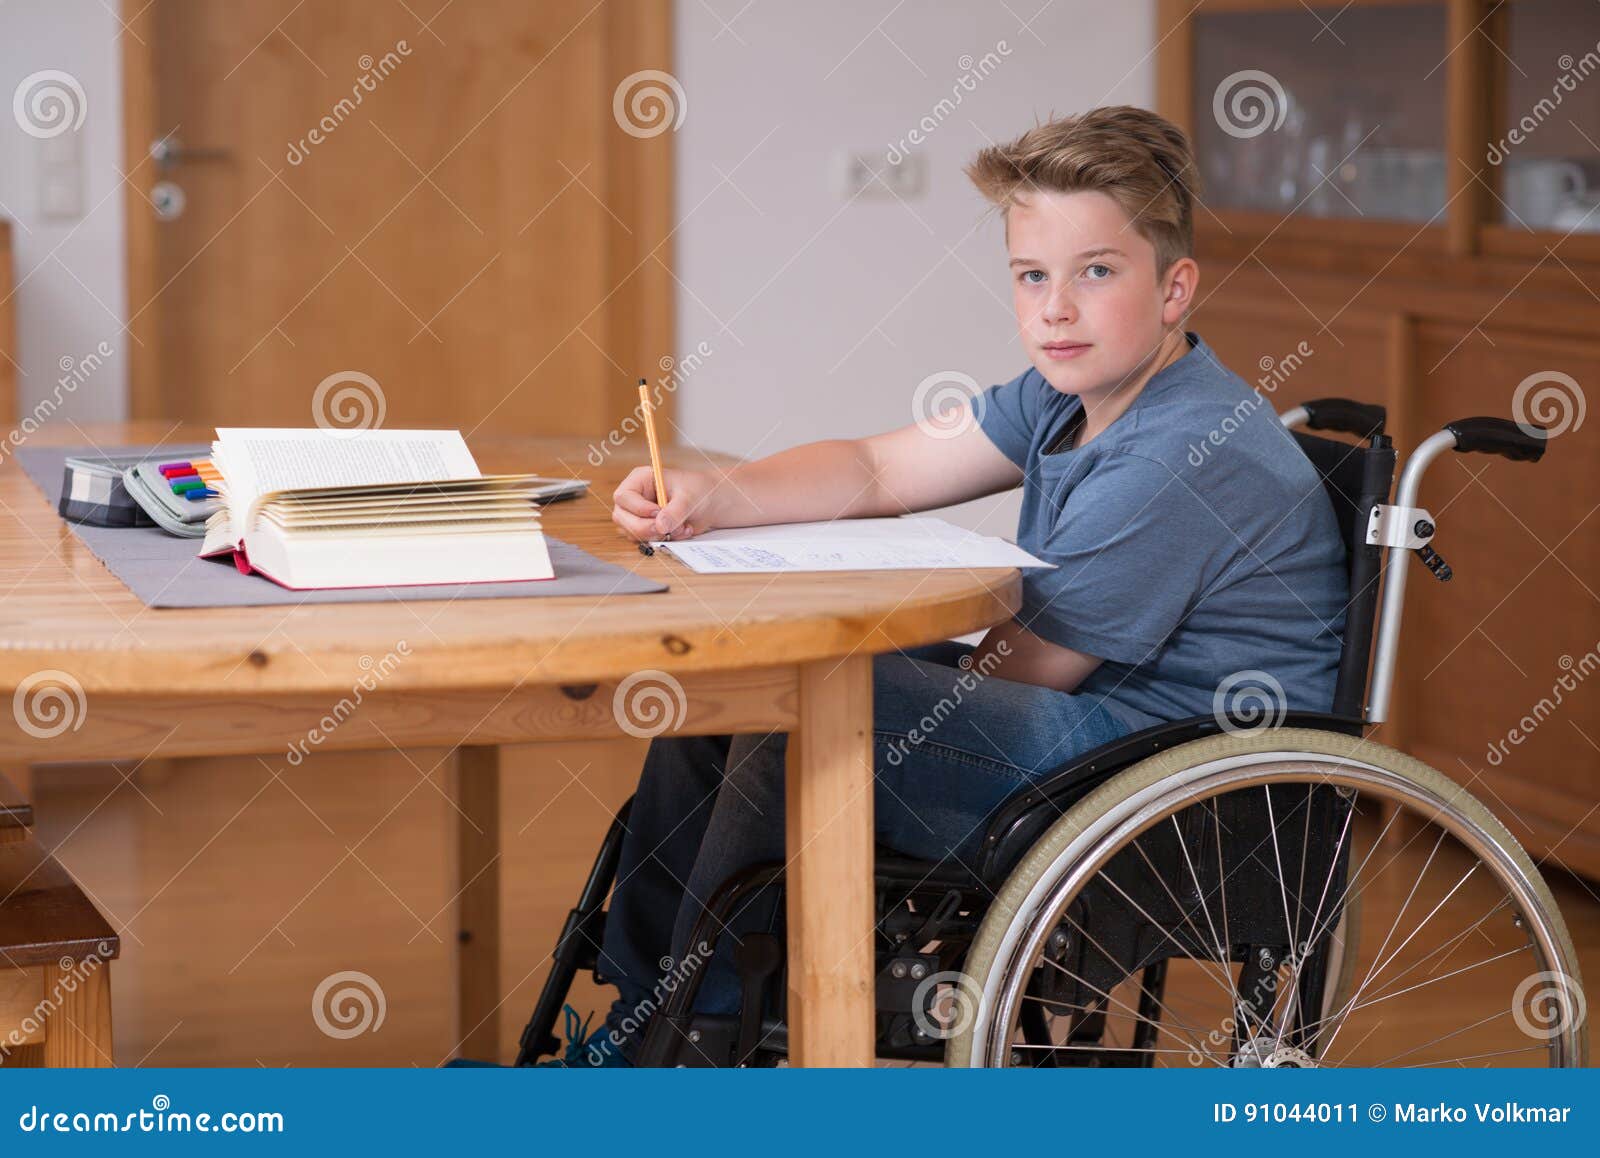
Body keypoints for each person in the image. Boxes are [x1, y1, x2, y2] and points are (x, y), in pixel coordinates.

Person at [552, 105, 1348, 1067]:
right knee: (742, 694)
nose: (1056, 308)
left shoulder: (1178, 451)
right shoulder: (1070, 391)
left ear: (1175, 287)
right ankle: (644, 1008)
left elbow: (1023, 673)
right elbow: (880, 469)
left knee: (801, 708)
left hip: (1180, 793)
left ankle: (695, 1044)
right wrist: (719, 496)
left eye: (1097, 272)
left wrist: (863, 665)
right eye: (1032, 276)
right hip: (1097, 730)